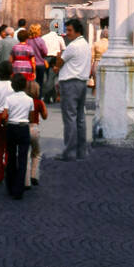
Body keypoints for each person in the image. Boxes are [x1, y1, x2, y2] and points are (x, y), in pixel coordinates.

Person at [54, 18, 92, 161]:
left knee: (70, 118)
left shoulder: (73, 46)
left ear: (77, 31)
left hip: (70, 82)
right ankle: (81, 151)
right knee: (80, 118)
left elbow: (59, 62)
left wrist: (58, 57)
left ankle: (69, 152)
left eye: (70, 30)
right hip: (82, 82)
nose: (67, 33)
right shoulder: (85, 44)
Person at [0, 73, 34, 200]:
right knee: (23, 159)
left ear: (13, 85)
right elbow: (31, 116)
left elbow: (3, 115)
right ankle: (19, 189)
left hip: (11, 127)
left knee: (11, 157)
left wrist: (4, 123)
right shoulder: (30, 100)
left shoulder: (9, 99)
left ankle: (10, 185)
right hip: (24, 127)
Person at [25, 80, 48, 188]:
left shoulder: (24, 100)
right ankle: (34, 175)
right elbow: (45, 116)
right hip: (34, 128)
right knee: (36, 153)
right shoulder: (39, 102)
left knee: (26, 155)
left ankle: (26, 181)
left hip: (24, 127)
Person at [43, 24, 64, 102]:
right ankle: (47, 97)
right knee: (51, 78)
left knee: (47, 77)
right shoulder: (59, 38)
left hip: (45, 58)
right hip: (55, 59)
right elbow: (63, 49)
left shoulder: (44, 37)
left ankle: (53, 95)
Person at [27, 23, 48, 93]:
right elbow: (45, 52)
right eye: (40, 30)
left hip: (30, 65)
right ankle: (38, 97)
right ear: (37, 30)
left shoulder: (27, 41)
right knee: (40, 83)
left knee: (30, 82)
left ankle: (31, 97)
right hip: (40, 64)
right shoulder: (41, 40)